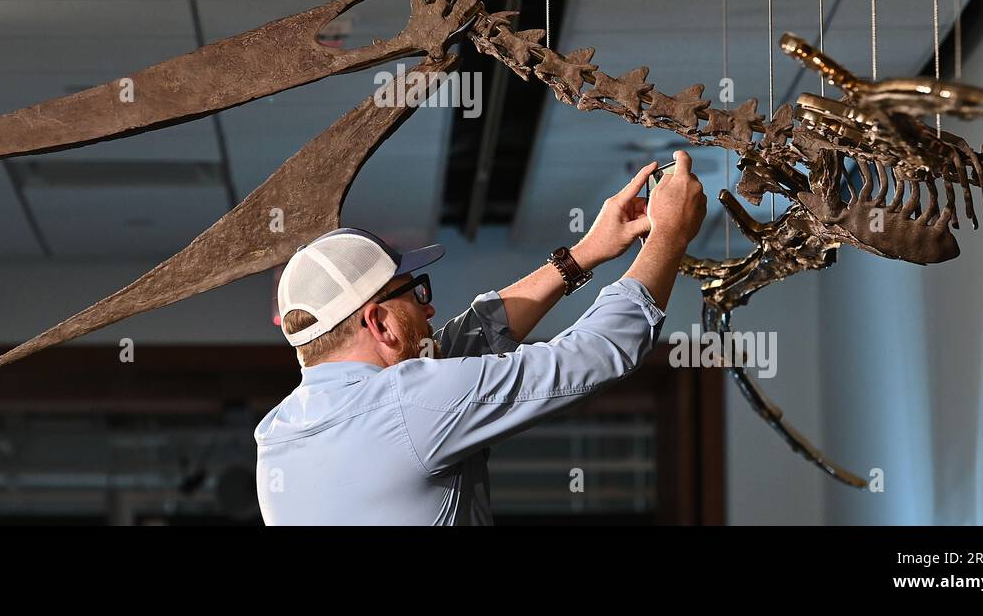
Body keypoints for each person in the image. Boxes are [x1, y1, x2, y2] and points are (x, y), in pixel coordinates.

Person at [255, 150, 707, 525]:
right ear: (377, 323)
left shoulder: (277, 437)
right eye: (415, 294)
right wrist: (669, 235)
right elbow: (596, 354)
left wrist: (586, 253)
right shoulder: (408, 404)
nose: (429, 307)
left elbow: (459, 347)